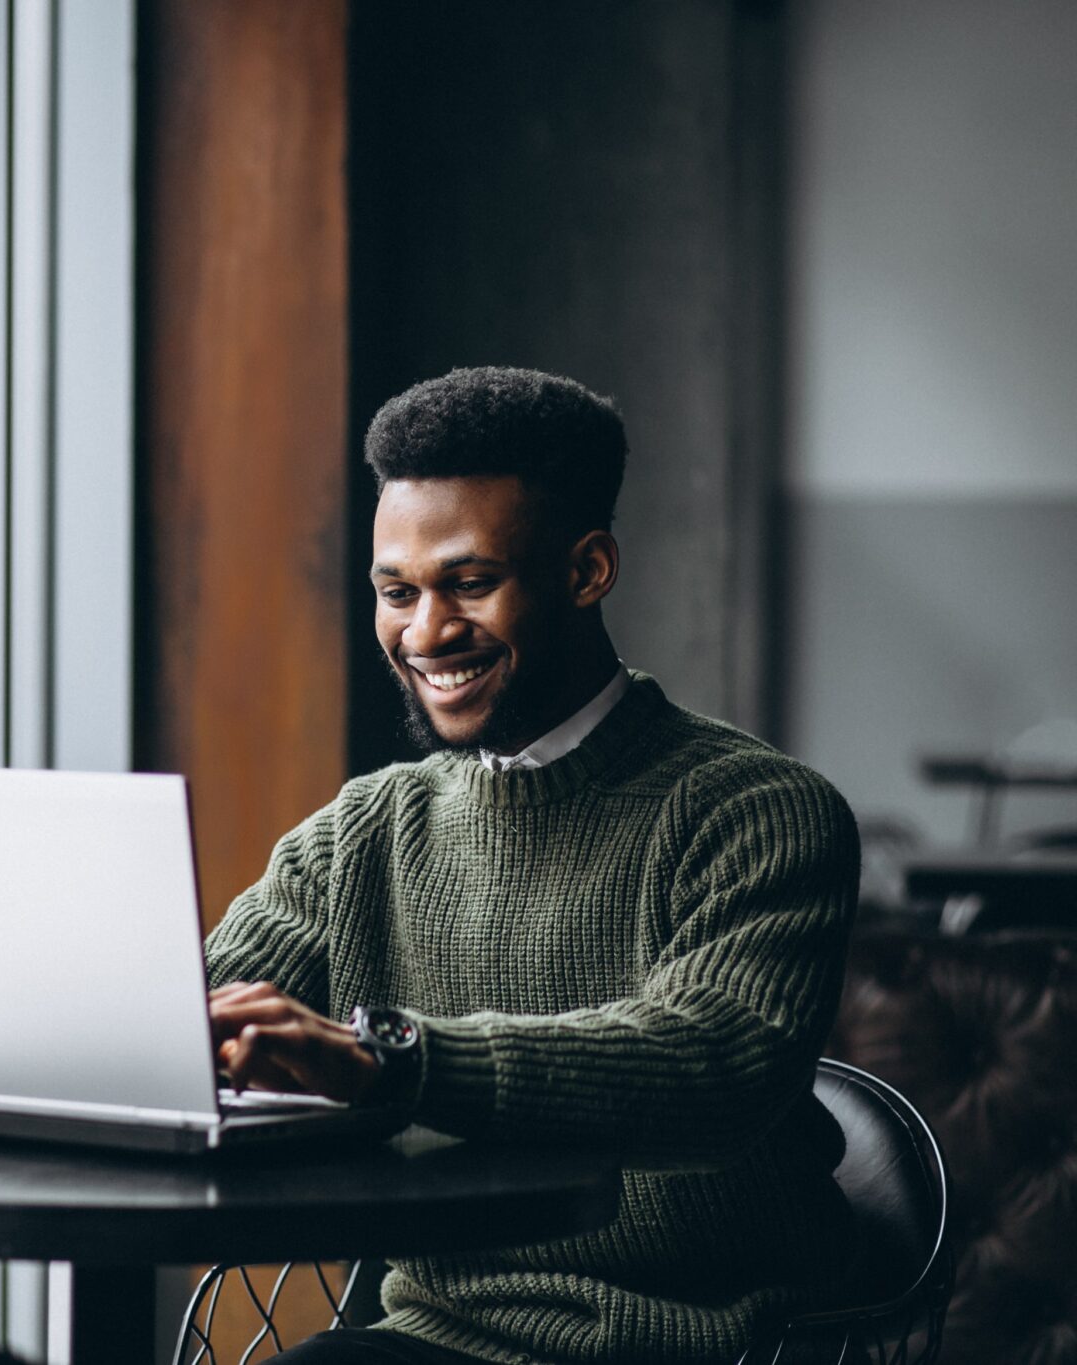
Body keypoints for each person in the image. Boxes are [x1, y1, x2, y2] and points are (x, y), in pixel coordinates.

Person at [204, 367, 861, 1365]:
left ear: (585, 569)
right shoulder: (364, 829)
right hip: (432, 1339)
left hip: (709, 1344)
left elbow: (713, 1065)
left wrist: (395, 1059)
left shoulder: (758, 811)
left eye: (467, 583)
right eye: (395, 592)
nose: (424, 634)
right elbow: (194, 1015)